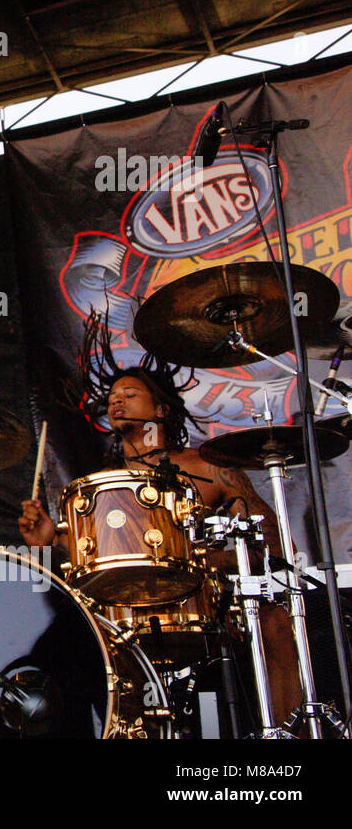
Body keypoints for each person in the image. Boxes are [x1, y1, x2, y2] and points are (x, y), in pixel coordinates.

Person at [19, 312, 301, 728]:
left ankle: (289, 736)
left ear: (162, 410)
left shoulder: (209, 466)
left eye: (130, 393)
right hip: (124, 610)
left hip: (202, 603)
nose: (117, 401)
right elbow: (86, 563)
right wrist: (49, 541)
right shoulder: (100, 487)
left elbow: (274, 543)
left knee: (276, 618)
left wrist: (214, 555)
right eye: (113, 396)